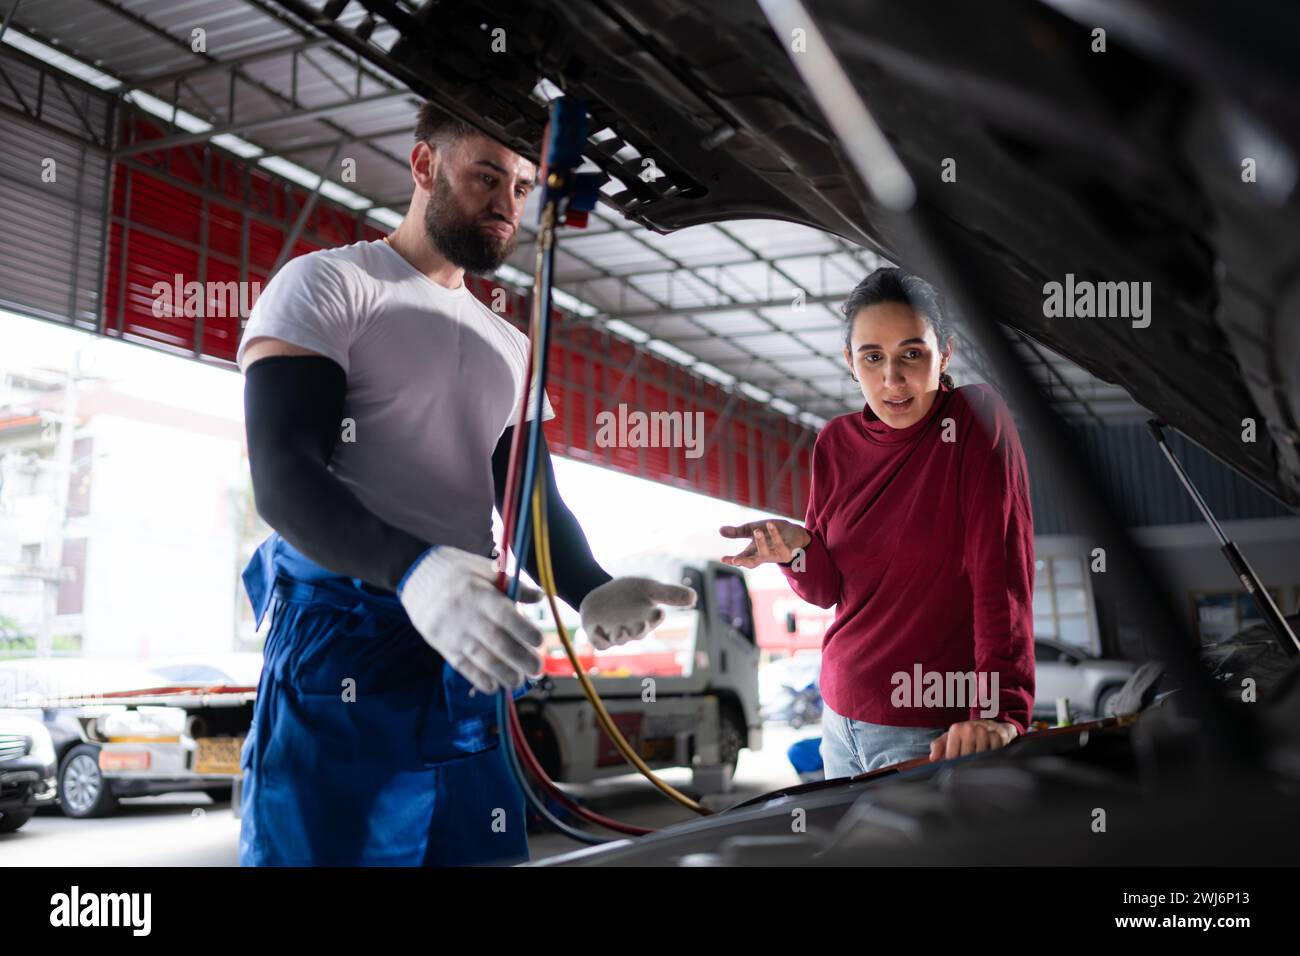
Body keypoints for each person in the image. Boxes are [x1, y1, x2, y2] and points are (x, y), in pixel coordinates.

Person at [236, 104, 696, 865]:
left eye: (521, 186)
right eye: (487, 175)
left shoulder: (508, 344)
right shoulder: (330, 284)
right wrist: (411, 570)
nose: (508, 204)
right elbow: (284, 479)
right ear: (424, 167)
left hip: (467, 657)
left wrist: (588, 586)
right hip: (344, 643)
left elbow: (530, 503)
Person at [720, 268, 1034, 777]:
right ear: (850, 361)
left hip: (930, 728)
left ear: (945, 353)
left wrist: (999, 712)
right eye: (872, 357)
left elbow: (1001, 578)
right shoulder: (836, 444)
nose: (892, 379)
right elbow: (827, 591)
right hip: (839, 716)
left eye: (912, 353)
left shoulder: (975, 420)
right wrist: (797, 549)